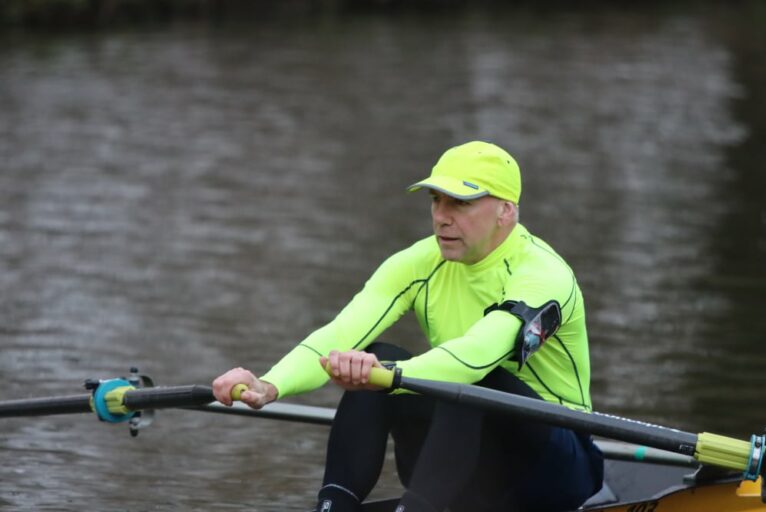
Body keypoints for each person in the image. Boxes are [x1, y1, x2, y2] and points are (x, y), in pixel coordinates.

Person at [212, 141, 604, 512]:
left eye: (460, 203)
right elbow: (338, 335)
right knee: (379, 355)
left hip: (555, 469)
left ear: (506, 211)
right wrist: (269, 384)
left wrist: (389, 376)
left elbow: (477, 355)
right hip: (465, 462)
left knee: (466, 378)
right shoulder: (418, 263)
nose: (441, 216)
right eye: (436, 200)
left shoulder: (543, 274)